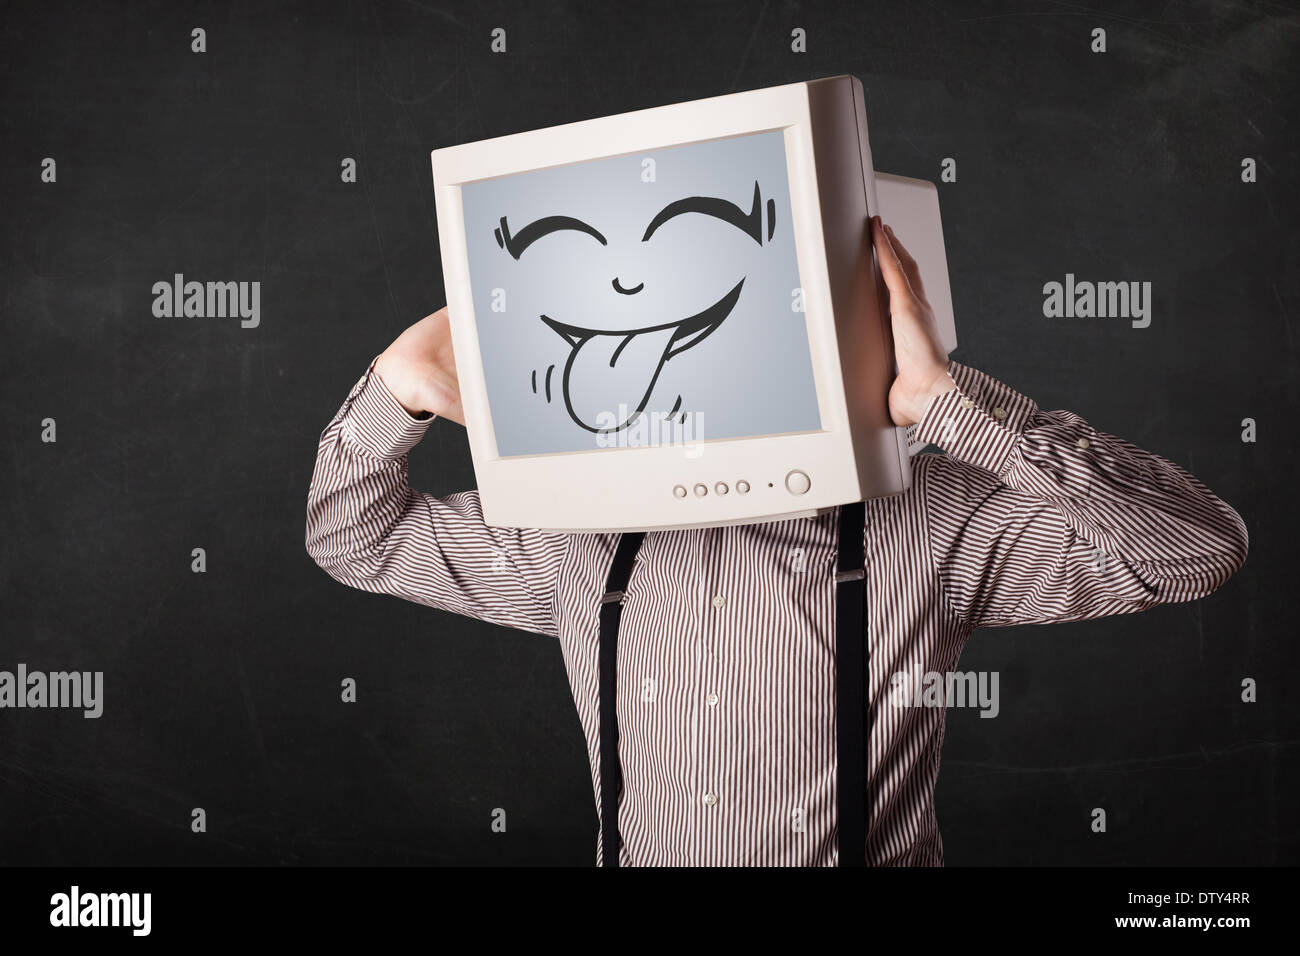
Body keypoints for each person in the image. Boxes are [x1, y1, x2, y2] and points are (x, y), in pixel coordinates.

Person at [305, 216, 1249, 866]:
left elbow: (1195, 551)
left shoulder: (926, 517)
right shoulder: (582, 524)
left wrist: (950, 407)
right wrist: (401, 385)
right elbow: (354, 538)